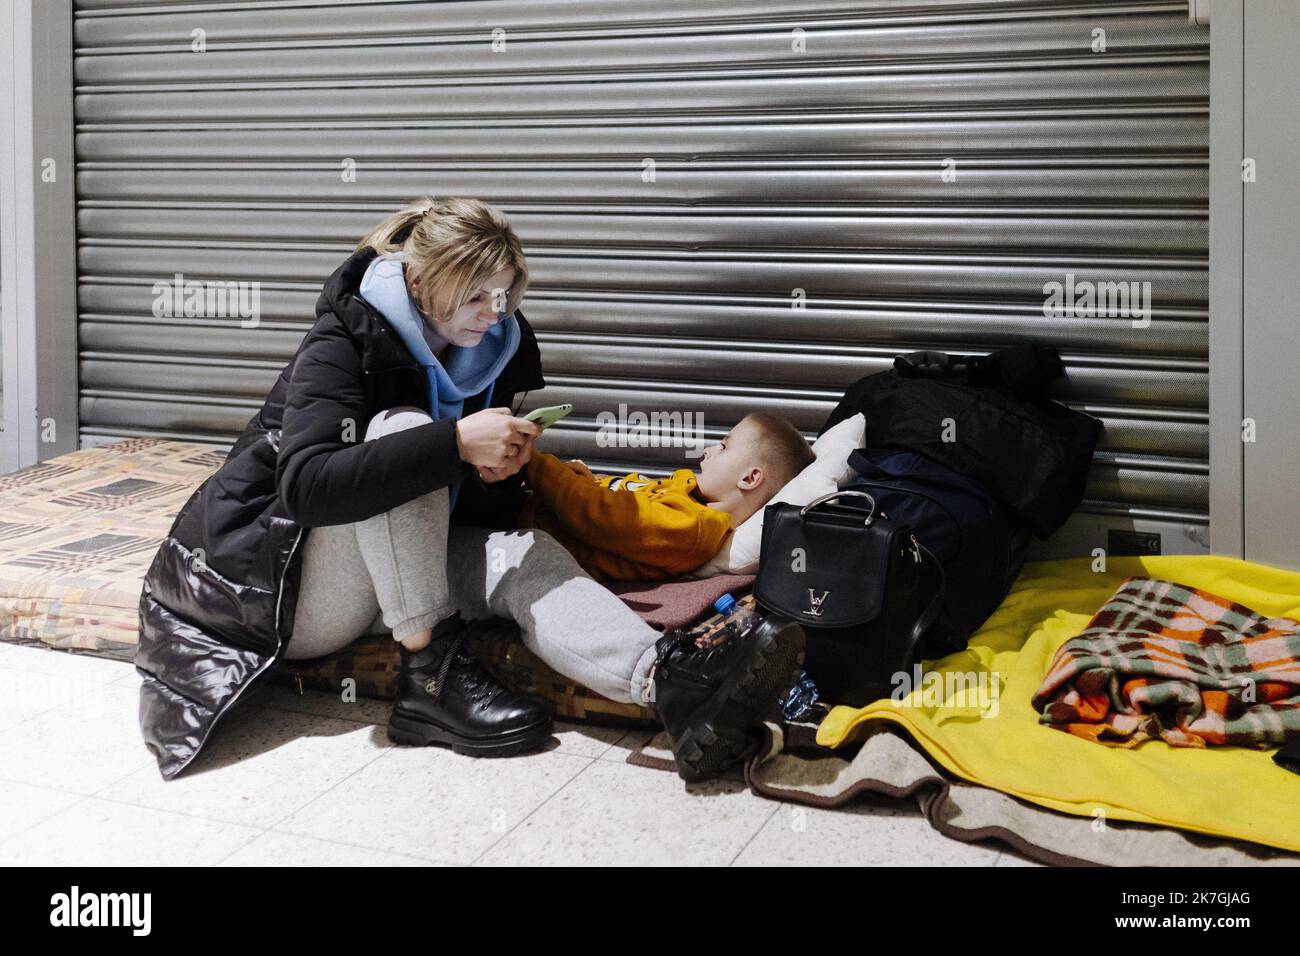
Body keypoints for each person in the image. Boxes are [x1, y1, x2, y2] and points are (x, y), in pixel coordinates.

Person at [136, 196, 804, 784]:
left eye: (506, 295)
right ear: (424, 282)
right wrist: (451, 446)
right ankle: (428, 682)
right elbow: (308, 488)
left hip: (394, 573)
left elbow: (454, 517)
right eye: (477, 295)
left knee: (527, 553)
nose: (495, 313)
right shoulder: (345, 339)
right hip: (285, 588)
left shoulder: (491, 350)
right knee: (404, 428)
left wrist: (493, 472)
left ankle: (677, 690)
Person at [519, 413, 815, 580]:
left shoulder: (690, 528)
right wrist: (582, 478)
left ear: (749, 479)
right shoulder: (688, 496)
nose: (708, 450)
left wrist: (534, 463)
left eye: (724, 447)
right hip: (538, 500)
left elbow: (597, 515)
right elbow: (614, 495)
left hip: (525, 523)